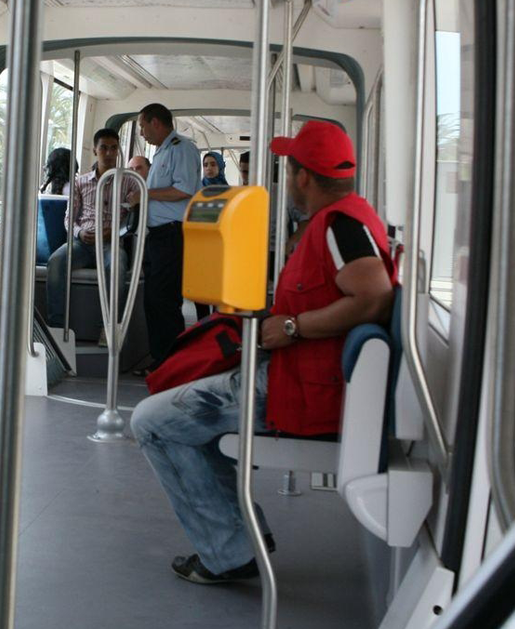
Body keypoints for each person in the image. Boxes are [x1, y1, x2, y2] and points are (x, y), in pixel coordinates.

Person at [130, 121, 395, 584]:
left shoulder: (342, 228)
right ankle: (238, 537)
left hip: (300, 388)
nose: (286, 180)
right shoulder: (350, 218)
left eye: (288, 171)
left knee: (151, 421)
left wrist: (293, 326)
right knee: (184, 394)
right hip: (302, 373)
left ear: (303, 177)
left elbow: (374, 296)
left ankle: (227, 552)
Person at [45, 128, 141, 328]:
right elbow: (69, 218)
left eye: (113, 148)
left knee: (117, 266)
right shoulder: (80, 183)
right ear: (95, 150)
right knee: (55, 262)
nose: (109, 153)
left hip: (111, 244)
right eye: (104, 148)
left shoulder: (130, 182)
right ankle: (56, 326)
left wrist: (113, 232)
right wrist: (79, 232)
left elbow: (133, 219)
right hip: (82, 243)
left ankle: (109, 329)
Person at [134, 104, 200, 366]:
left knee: (165, 300)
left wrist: (145, 193)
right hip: (157, 235)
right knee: (153, 299)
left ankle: (171, 362)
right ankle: (160, 358)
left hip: (173, 234)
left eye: (143, 126)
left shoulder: (181, 149)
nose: (142, 133)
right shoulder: (161, 152)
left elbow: (184, 189)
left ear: (156, 123)